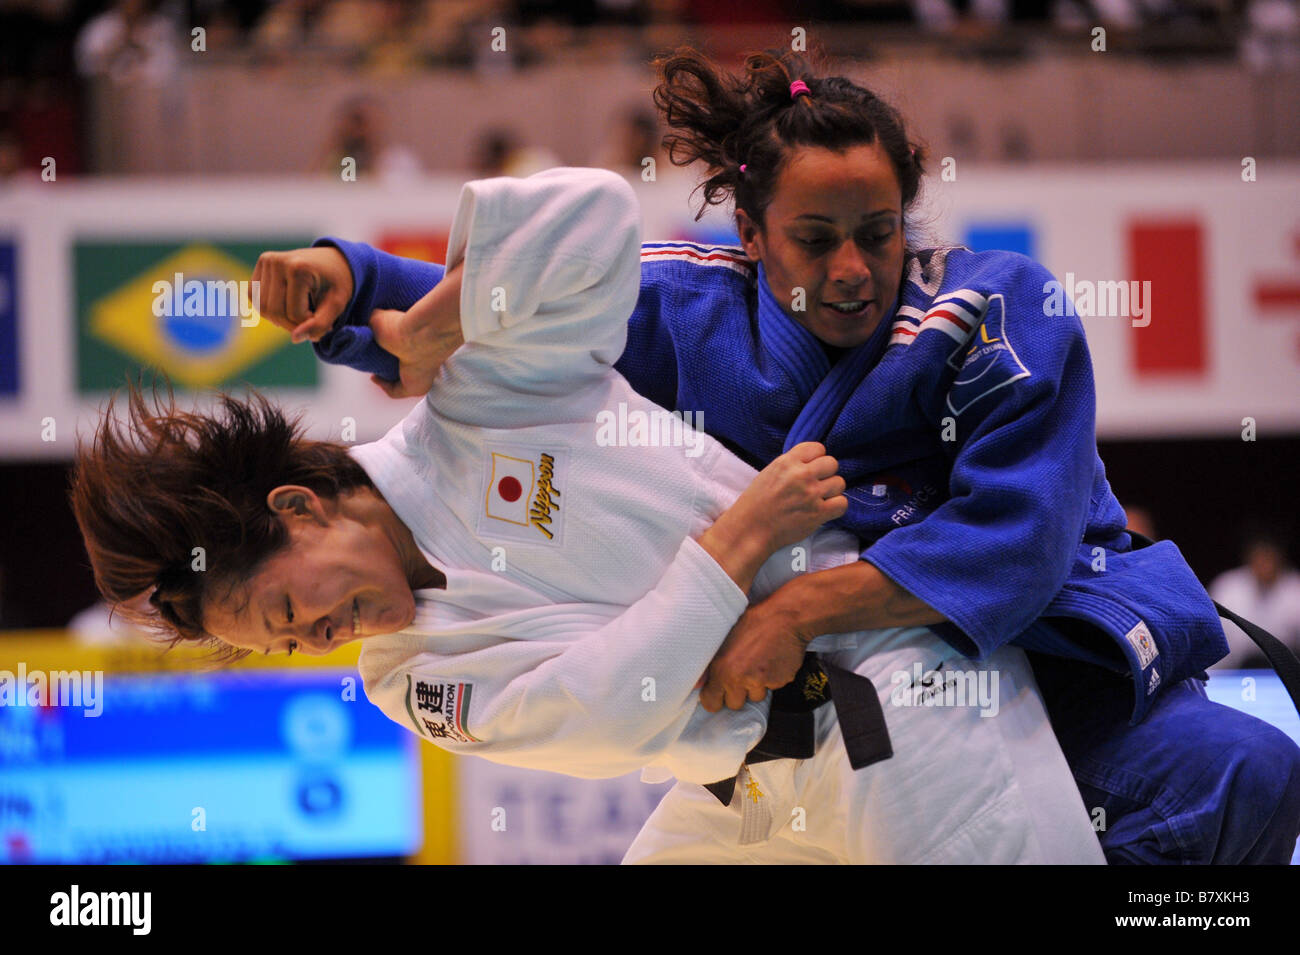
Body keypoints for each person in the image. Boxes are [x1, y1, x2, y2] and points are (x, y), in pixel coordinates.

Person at [258, 48, 1300, 864]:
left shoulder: (994, 308)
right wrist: (351, 283)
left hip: (1038, 662)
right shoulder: (684, 305)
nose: (854, 270)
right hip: (803, 735)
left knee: (1243, 771)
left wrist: (790, 610)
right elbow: (533, 295)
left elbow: (1015, 546)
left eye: (878, 233)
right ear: (750, 235)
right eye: (815, 238)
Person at [70, 167, 1104, 864]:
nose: (316, 641)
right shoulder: (404, 679)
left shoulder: (482, 403)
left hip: (886, 700)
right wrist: (738, 538)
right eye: (286, 645)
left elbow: (592, 214)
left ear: (296, 508)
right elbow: (610, 710)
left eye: (289, 609)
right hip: (744, 783)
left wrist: (446, 315)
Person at [1210, 529, 1300, 669]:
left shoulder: (1295, 588)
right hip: (1231, 672)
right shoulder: (1227, 586)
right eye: (1260, 557)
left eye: (1269, 558)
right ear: (1249, 558)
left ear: (1279, 559)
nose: (1264, 564)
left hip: (1285, 671)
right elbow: (1212, 638)